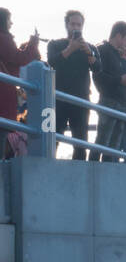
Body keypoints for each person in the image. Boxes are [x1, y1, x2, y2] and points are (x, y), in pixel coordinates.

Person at [46, 10, 98, 160]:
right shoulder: (55, 44)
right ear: (66, 25)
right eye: (73, 24)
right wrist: (70, 49)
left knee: (81, 142)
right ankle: (49, 170)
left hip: (81, 100)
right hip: (57, 99)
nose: (75, 27)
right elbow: (52, 62)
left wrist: (89, 53)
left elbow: (98, 68)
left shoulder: (90, 48)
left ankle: (80, 175)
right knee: (52, 138)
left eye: (79, 24)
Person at [89, 21, 126, 162]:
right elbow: (98, 76)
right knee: (103, 141)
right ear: (118, 36)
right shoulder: (102, 50)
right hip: (108, 101)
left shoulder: (117, 54)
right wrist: (120, 80)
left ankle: (106, 172)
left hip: (119, 102)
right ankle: (93, 168)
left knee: (113, 146)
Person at [0, 9, 39, 151]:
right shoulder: (3, 38)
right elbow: (20, 59)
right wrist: (33, 43)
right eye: (9, 19)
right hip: (3, 94)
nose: (11, 23)